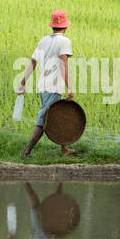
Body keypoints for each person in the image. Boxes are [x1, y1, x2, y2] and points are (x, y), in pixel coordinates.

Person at [16, 10, 74, 159]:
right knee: (43, 119)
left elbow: (32, 63)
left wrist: (23, 82)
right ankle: (26, 152)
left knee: (56, 115)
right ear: (65, 26)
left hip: (43, 86)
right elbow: (63, 65)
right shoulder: (65, 41)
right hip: (53, 87)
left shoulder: (43, 40)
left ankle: (64, 148)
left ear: (53, 26)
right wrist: (69, 87)